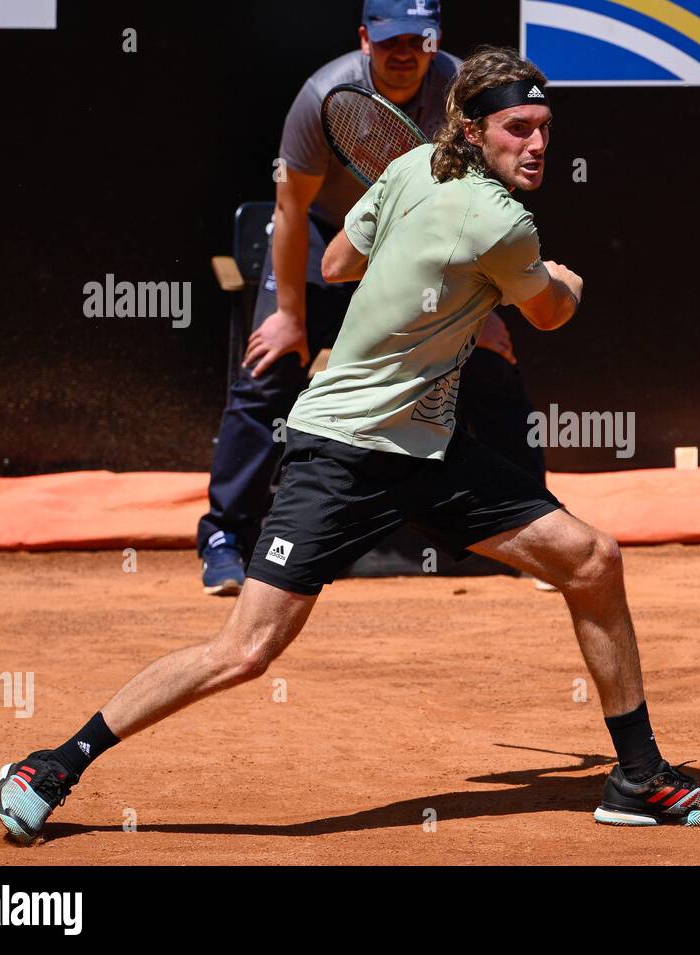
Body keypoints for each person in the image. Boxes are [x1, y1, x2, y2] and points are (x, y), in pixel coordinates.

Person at [0, 48, 700, 844]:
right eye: (517, 128)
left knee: (591, 558)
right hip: (345, 451)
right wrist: (564, 280)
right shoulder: (503, 221)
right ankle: (51, 764)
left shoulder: (416, 164)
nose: (535, 145)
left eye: (545, 130)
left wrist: (417, 257)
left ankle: (638, 776)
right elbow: (551, 315)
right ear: (471, 128)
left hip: (426, 445)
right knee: (246, 649)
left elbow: (335, 260)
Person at [199, 0, 544, 595]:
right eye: (390, 41)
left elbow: (487, 208)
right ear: (365, 39)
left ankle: (538, 529)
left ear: (434, 42)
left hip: (421, 245)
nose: (405, 53)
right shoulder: (322, 95)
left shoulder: (464, 94)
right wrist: (288, 315)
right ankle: (225, 537)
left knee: (492, 369)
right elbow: (290, 207)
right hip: (328, 238)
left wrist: (478, 313)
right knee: (269, 368)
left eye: (418, 39)